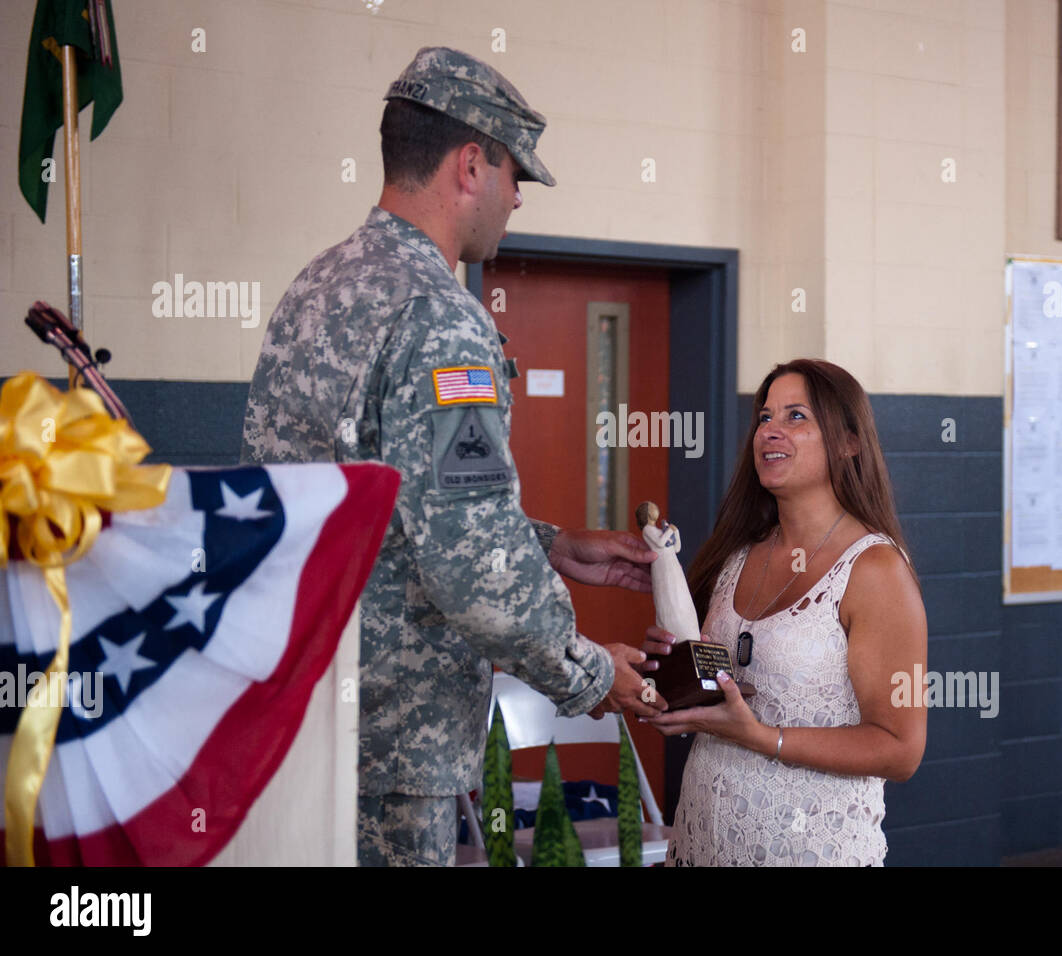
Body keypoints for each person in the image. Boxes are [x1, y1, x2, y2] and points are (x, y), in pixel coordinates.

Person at [241, 46, 666, 867]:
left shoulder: (315, 289)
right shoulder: (441, 316)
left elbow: (378, 501)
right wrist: (586, 671)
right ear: (471, 164)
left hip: (302, 706)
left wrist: (550, 545)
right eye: (516, 176)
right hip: (398, 740)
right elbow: (468, 567)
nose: (516, 199)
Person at [639, 359, 928, 866]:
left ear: (849, 442)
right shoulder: (735, 555)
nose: (770, 430)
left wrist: (763, 737)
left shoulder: (875, 569)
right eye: (765, 417)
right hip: (703, 842)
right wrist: (671, 681)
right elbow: (718, 694)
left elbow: (900, 749)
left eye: (797, 417)